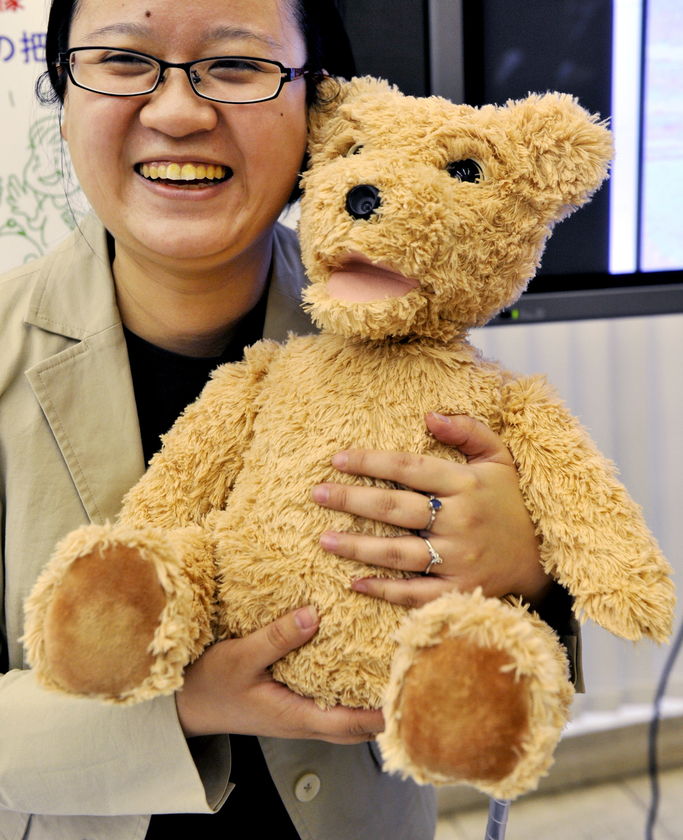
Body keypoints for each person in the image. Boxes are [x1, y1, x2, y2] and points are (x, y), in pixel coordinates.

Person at [0, 1, 580, 837]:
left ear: (318, 111)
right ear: (65, 100)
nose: (175, 112)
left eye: (235, 66)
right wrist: (182, 708)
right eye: (123, 62)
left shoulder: (419, 332)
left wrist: (522, 571)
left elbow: (525, 635)